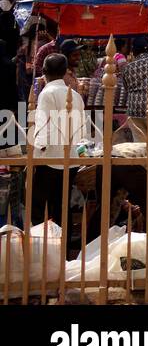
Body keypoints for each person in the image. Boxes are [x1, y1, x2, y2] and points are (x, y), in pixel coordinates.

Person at [30, 53, 92, 226]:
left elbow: (43, 128)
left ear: (43, 71)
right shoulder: (76, 96)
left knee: (39, 207)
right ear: (65, 72)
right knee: (62, 206)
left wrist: (35, 154)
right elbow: (82, 132)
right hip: (70, 159)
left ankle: (43, 247)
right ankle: (62, 247)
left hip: (49, 158)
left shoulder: (47, 93)